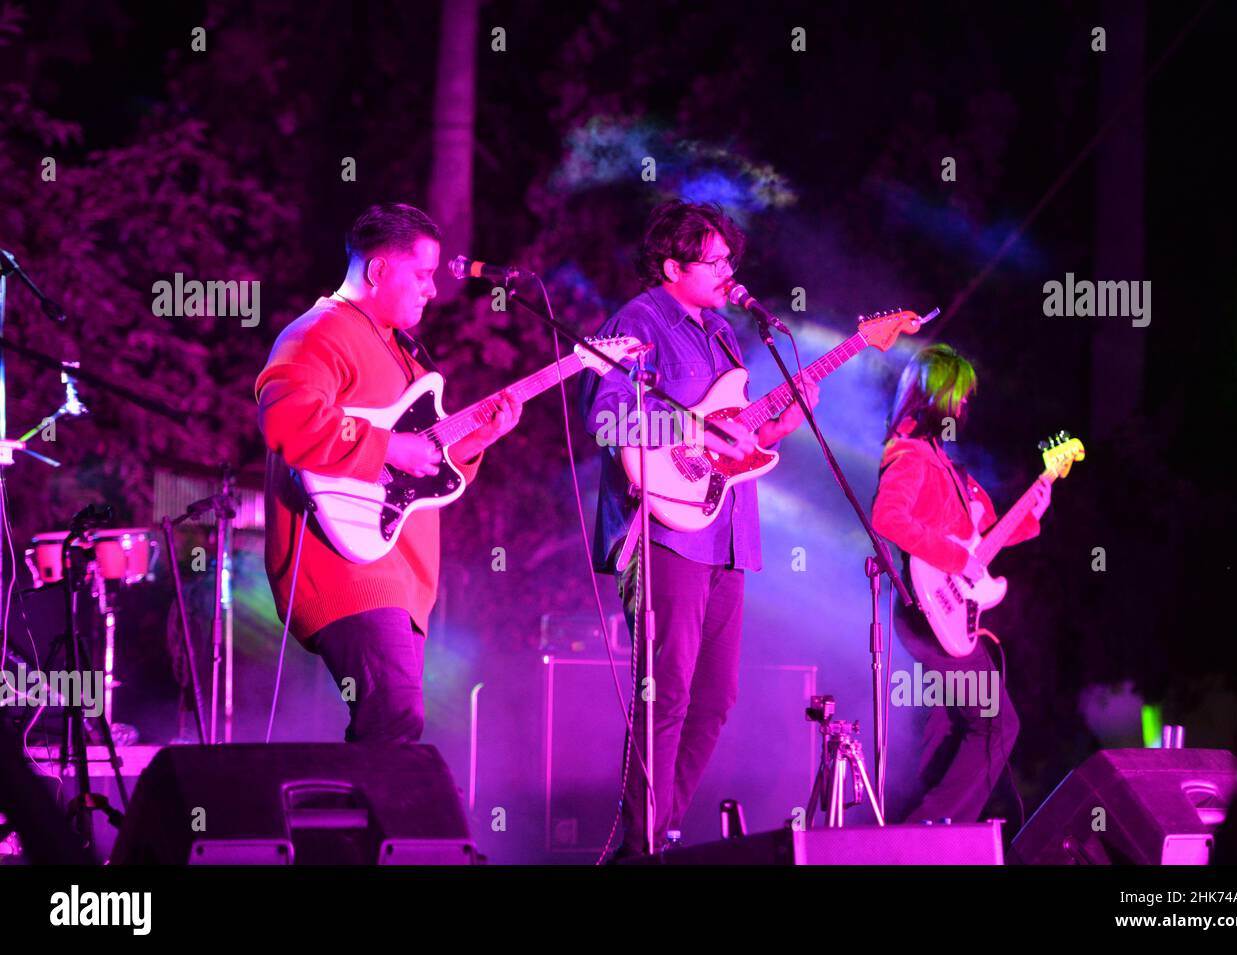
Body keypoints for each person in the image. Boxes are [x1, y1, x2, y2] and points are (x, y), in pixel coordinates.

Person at [580, 200, 818, 857]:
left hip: (727, 532)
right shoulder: (640, 319)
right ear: (671, 265)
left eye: (729, 260)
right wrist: (689, 432)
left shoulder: (723, 333)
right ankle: (639, 845)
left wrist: (783, 421)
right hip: (667, 533)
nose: (727, 272)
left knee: (716, 697)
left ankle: (659, 829)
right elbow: (608, 418)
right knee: (669, 689)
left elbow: (740, 440)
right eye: (714, 261)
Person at [255, 203, 521, 743]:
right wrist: (389, 449)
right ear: (378, 271)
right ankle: (340, 828)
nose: (431, 290)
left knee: (391, 725)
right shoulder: (319, 333)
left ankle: (349, 826)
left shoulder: (409, 360)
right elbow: (286, 420)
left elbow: (427, 471)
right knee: (395, 720)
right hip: (344, 569)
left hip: (399, 576)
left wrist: (478, 440)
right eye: (421, 274)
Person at [871, 343, 1049, 822]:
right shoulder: (910, 457)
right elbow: (887, 518)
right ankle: (932, 837)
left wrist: (1032, 512)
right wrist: (955, 557)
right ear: (937, 395)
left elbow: (983, 545)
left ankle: (917, 834)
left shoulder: (948, 467)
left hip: (944, 611)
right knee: (996, 726)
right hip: (929, 611)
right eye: (961, 395)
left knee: (946, 734)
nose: (966, 406)